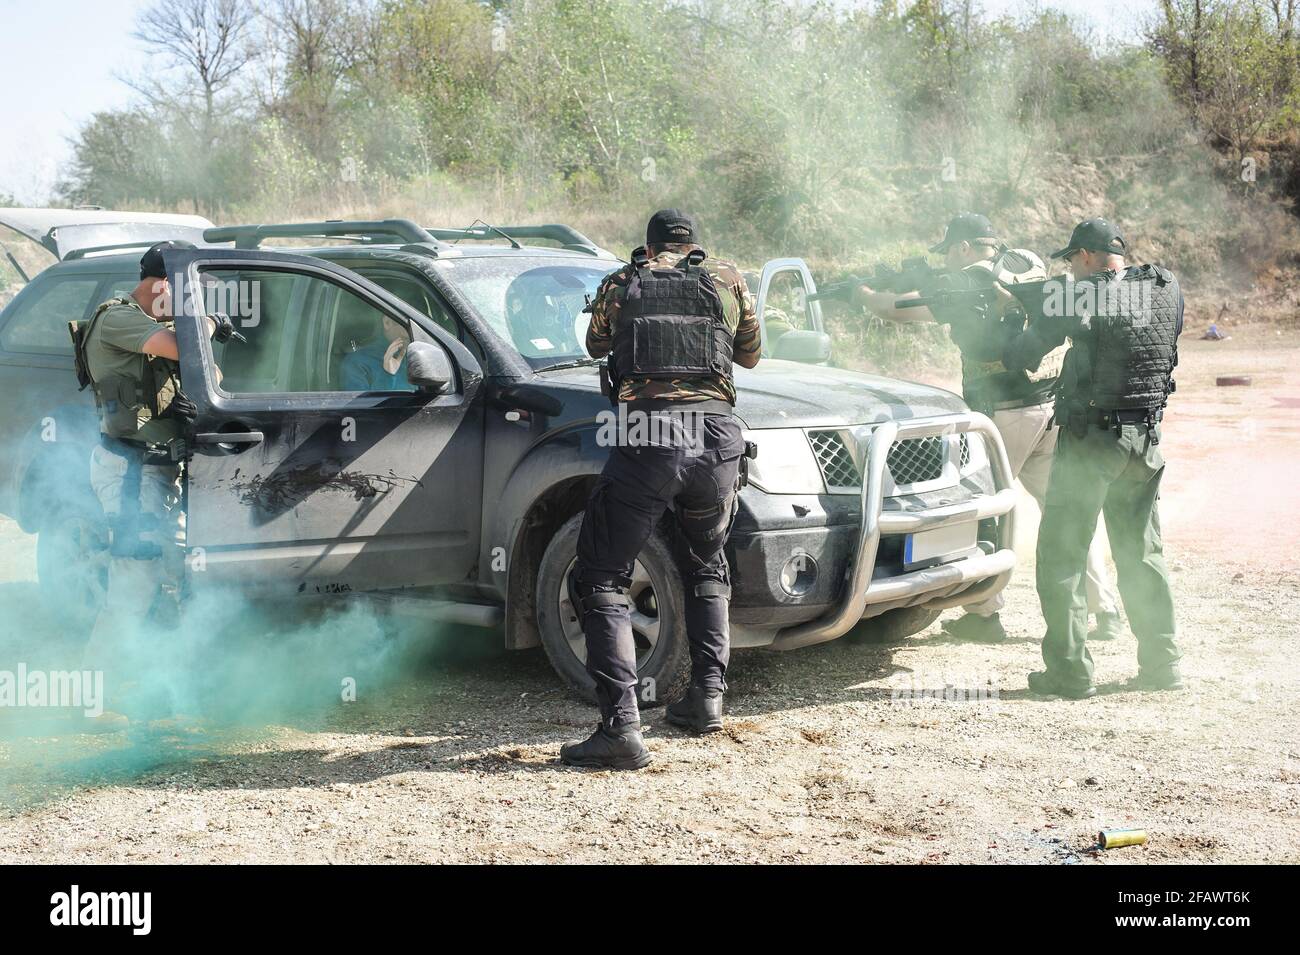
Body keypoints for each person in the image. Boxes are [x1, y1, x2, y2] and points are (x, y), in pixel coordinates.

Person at [855, 213, 1122, 644]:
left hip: (1004, 416)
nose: (948, 262)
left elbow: (895, 310)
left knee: (983, 511)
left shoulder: (967, 282)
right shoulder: (1026, 265)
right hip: (1052, 407)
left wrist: (860, 294)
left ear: (963, 248)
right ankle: (1104, 608)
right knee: (1067, 511)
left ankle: (984, 612)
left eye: (949, 252)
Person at [559, 209, 761, 770]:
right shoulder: (727, 279)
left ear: (647, 246)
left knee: (600, 573)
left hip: (650, 432)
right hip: (719, 434)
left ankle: (621, 729)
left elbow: (597, 345)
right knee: (706, 562)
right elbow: (749, 354)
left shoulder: (623, 282)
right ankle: (706, 699)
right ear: (694, 243)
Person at [1001, 218, 1184, 698]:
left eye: (1071, 261)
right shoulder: (1164, 287)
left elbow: (1023, 352)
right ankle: (1163, 665)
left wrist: (1017, 319)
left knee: (1062, 554)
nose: (1071, 272)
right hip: (1145, 441)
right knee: (1141, 554)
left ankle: (1069, 672)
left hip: (1092, 444)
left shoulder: (1083, 296)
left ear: (1084, 256)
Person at [74, 240, 236, 719]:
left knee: (172, 579)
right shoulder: (117, 317)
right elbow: (184, 345)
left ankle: (148, 686)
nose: (189, 303)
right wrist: (208, 323)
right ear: (162, 283)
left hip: (161, 470)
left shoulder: (159, 326)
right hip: (130, 473)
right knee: (134, 578)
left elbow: (211, 373)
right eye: (185, 291)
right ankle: (90, 699)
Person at [340, 315, 412, 391]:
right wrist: (387, 375)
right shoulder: (356, 362)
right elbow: (363, 402)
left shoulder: (417, 355)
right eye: (407, 325)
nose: (411, 333)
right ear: (387, 323)